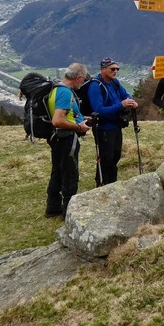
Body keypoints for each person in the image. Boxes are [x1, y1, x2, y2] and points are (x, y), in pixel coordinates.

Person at [45, 63, 92, 219]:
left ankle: (53, 207)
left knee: (57, 171)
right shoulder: (66, 93)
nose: (83, 82)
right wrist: (79, 127)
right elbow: (58, 120)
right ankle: (68, 212)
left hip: (56, 137)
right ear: (78, 78)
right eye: (83, 79)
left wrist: (82, 118)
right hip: (67, 138)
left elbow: (66, 114)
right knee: (70, 174)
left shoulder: (56, 88)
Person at [87, 57, 138, 186]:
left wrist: (130, 100)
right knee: (106, 158)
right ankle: (102, 183)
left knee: (115, 156)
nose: (115, 71)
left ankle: (112, 183)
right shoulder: (95, 86)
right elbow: (98, 110)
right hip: (104, 128)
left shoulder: (114, 82)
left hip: (116, 126)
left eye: (117, 69)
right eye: (112, 69)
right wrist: (121, 105)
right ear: (103, 69)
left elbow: (125, 94)